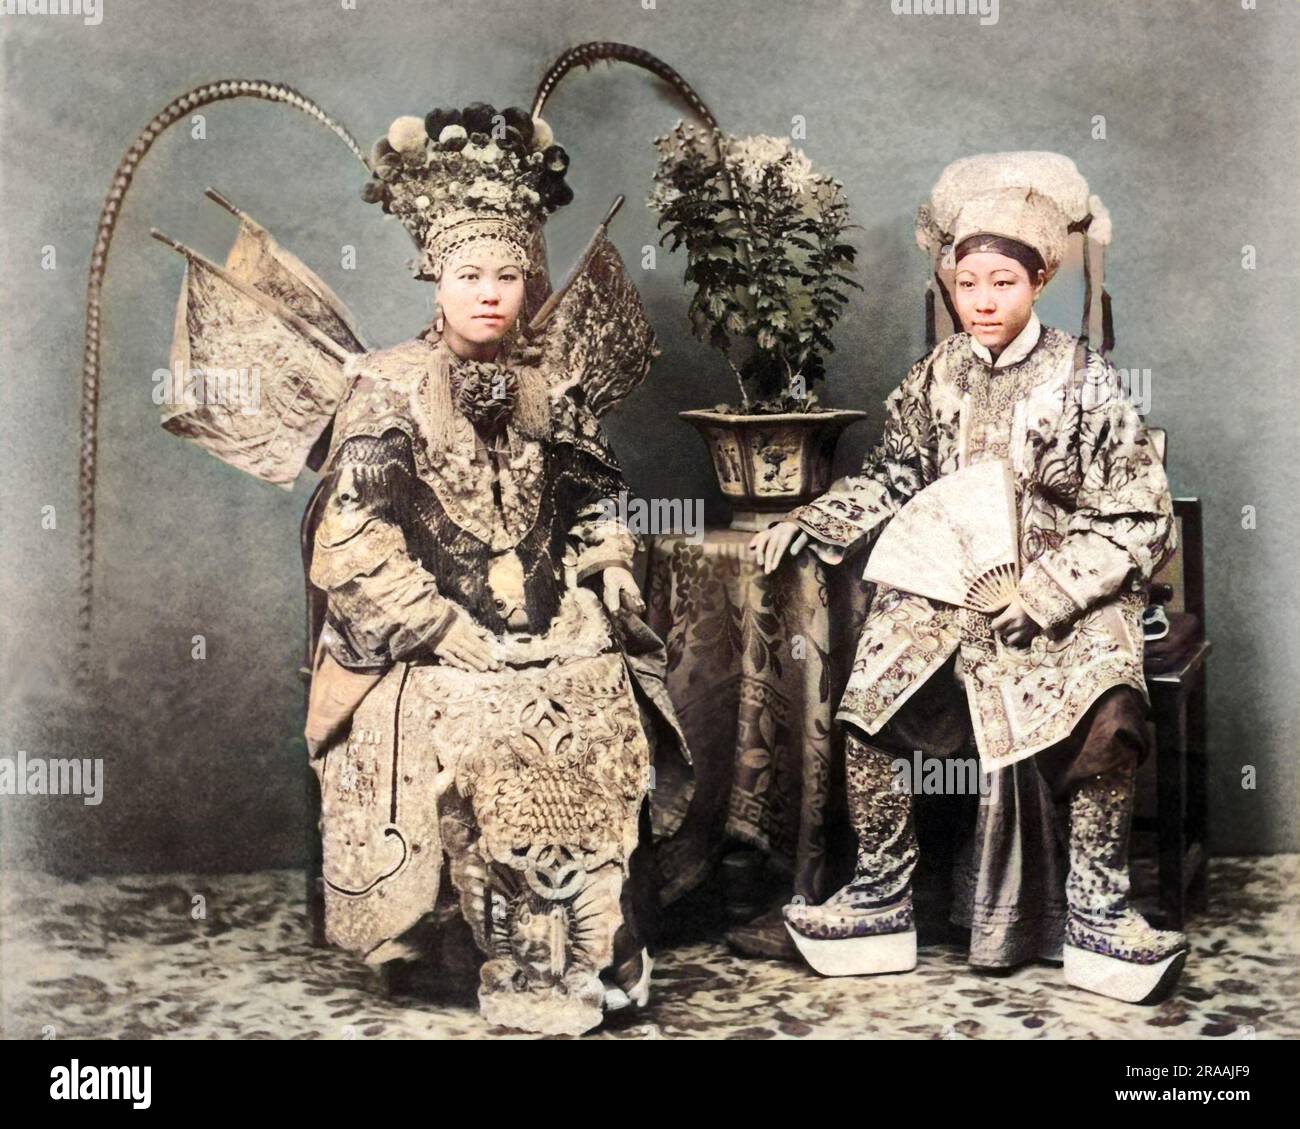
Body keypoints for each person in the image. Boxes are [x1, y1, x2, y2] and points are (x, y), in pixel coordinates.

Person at [749, 152, 1188, 1004]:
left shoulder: (1084, 378)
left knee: (1107, 697)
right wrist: (812, 516)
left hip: (1065, 585)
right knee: (870, 693)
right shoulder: (935, 376)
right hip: (949, 590)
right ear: (949, 283)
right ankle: (883, 896)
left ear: (1042, 279)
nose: (981, 300)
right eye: (967, 282)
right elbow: (894, 477)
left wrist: (1050, 590)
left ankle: (1097, 909)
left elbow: (1140, 514)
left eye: (1002, 282)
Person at [301, 103, 688, 1035]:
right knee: (489, 715)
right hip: (417, 641)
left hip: (541, 620)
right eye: (470, 274)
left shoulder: (550, 388)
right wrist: (443, 626)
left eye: (509, 274)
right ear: (436, 276)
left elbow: (593, 499)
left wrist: (610, 568)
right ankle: (520, 949)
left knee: (597, 680)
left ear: (526, 280)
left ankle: (601, 933)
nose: (490, 293)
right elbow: (352, 542)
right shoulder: (385, 385)